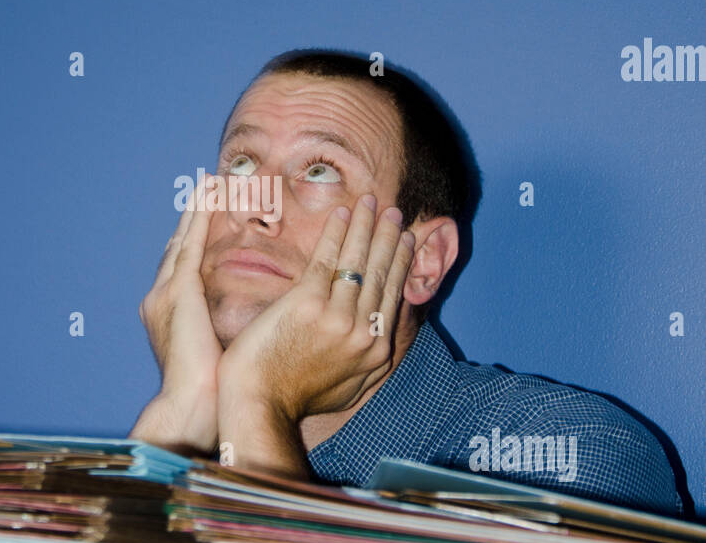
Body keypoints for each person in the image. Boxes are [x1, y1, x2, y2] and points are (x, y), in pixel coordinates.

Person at [130, 48, 684, 518]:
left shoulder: (571, 455)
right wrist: (175, 417)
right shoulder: (181, 448)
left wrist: (256, 402)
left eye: (320, 170)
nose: (256, 207)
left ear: (423, 261)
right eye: (243, 165)